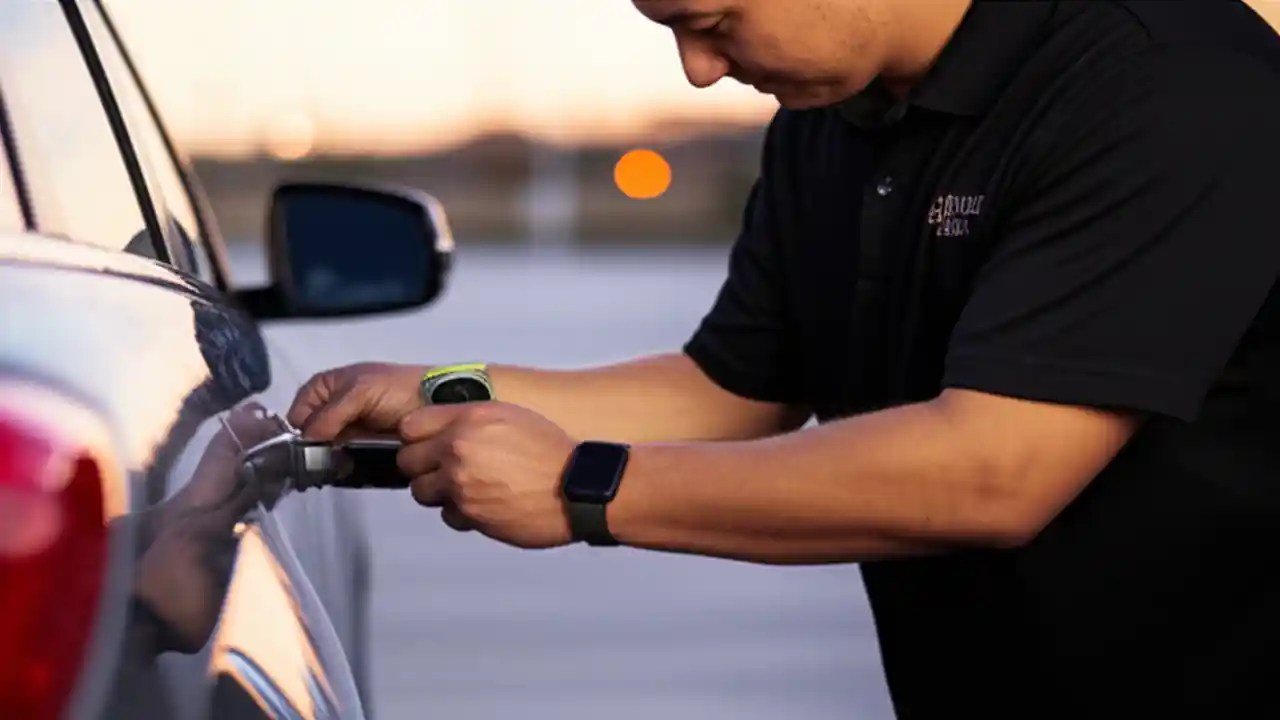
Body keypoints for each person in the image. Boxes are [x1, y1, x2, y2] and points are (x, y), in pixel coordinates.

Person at [289, 1, 1280, 716]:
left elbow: (996, 471)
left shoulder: (1162, 79)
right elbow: (729, 388)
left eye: (714, 22)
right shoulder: (826, 125)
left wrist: (581, 487)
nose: (696, 70)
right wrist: (431, 389)